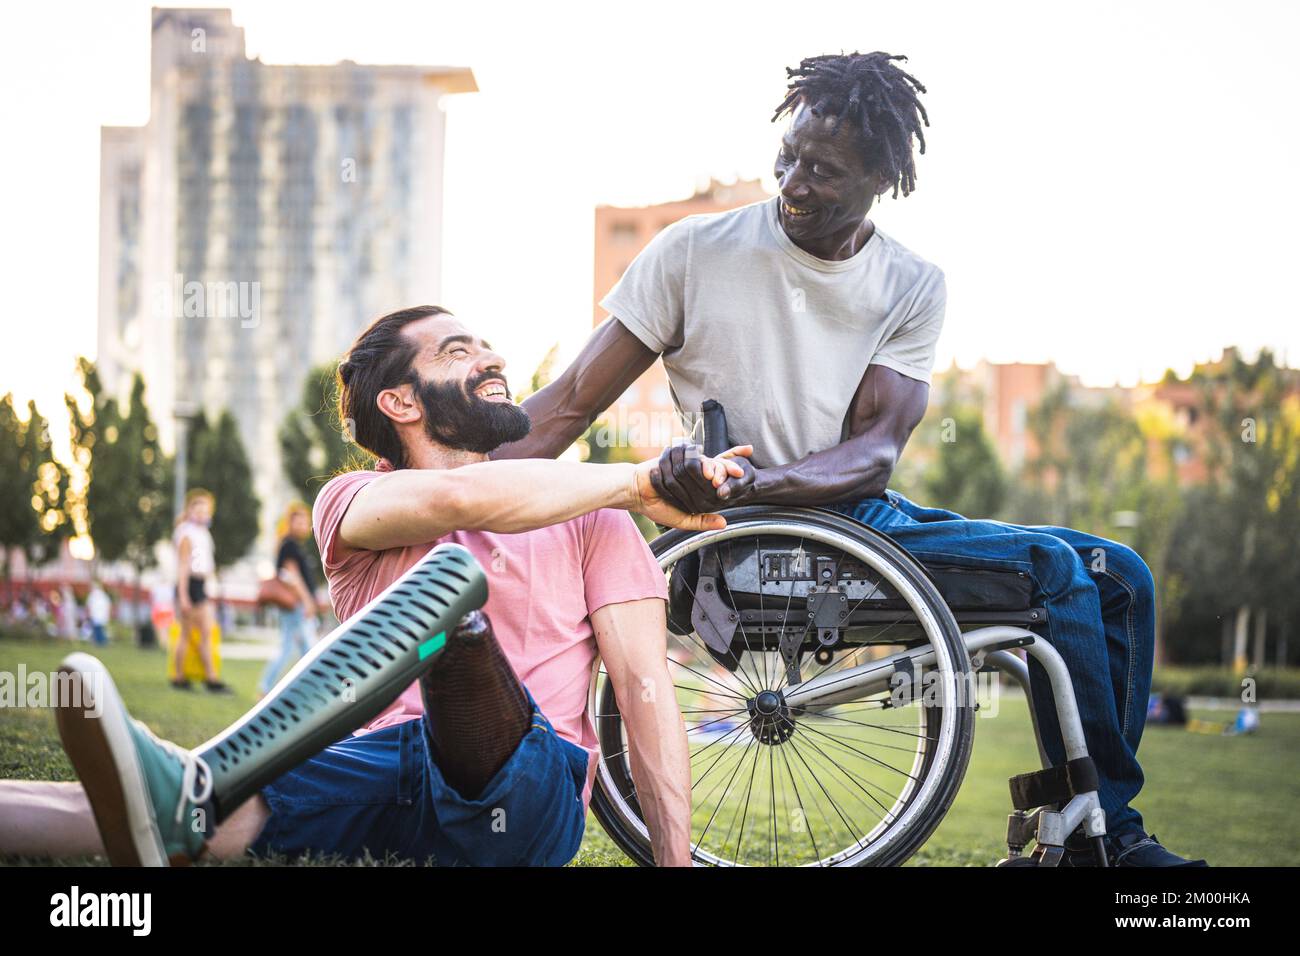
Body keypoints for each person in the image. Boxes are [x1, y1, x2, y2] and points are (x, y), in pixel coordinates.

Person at [494, 51, 1205, 867]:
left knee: (1121, 578)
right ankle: (1109, 841)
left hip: (850, 516)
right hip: (749, 535)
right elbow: (570, 401)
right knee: (1053, 569)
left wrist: (765, 475)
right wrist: (453, 484)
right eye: (788, 156)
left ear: (881, 178)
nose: (793, 182)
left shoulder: (910, 284)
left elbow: (872, 453)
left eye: (824, 171)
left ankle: (1088, 819)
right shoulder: (693, 251)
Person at [0, 306, 747, 867]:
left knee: (454, 590)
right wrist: (638, 479)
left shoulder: (595, 518)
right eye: (459, 352)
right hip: (380, 771)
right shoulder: (352, 500)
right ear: (402, 402)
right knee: (150, 811)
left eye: (486, 344)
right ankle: (195, 787)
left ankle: (205, 777)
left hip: (523, 796)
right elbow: (457, 502)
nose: (491, 357)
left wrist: (673, 865)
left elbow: (646, 693)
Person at [257, 502, 320, 697]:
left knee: (301, 650)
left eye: (305, 521)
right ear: (290, 523)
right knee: (300, 649)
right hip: (296, 605)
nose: (303, 525)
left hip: (295, 605)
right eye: (299, 521)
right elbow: (293, 577)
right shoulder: (290, 544)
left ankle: (306, 689)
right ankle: (266, 687)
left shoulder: (290, 544)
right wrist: (308, 601)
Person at [171, 488, 229, 693]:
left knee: (204, 633)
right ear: (189, 509)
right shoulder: (186, 533)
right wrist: (184, 596)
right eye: (198, 508)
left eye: (206, 509)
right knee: (188, 634)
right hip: (190, 586)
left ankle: (207, 678)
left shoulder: (202, 532)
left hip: (201, 585)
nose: (203, 513)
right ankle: (187, 677)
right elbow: (183, 567)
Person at [85, 581, 111, 647]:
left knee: (97, 629)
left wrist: (89, 614)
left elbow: (89, 605)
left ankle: (100, 642)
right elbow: (108, 605)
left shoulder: (93, 595)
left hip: (96, 615)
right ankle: (102, 642)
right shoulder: (103, 595)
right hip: (101, 615)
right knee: (100, 629)